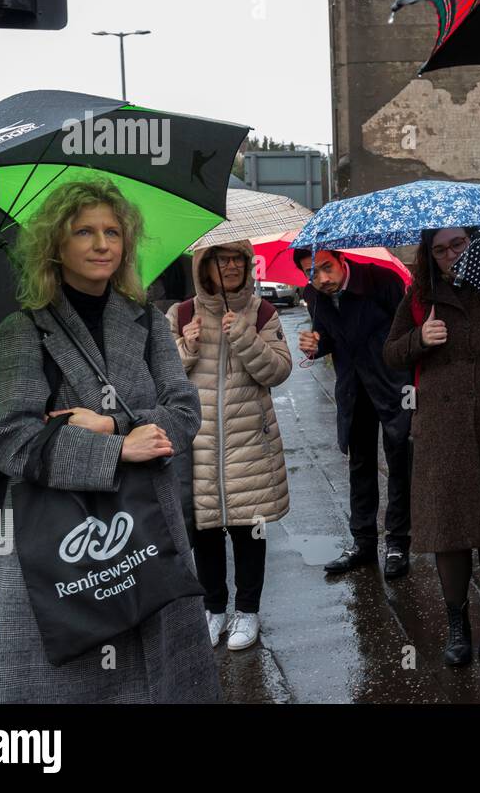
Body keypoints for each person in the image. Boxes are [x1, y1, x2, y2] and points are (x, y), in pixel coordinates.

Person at [0, 177, 216, 703]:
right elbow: (9, 439)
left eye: (113, 231)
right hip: (71, 544)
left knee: (166, 677)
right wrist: (115, 452)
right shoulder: (21, 332)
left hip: (150, 530)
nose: (102, 243)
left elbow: (184, 410)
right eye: (84, 231)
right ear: (55, 245)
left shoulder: (148, 322)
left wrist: (114, 428)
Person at [383, 228, 480, 666]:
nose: (450, 255)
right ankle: (457, 625)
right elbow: (391, 353)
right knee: (448, 529)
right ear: (429, 257)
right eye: (439, 250)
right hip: (441, 429)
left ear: (474, 242)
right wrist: (420, 338)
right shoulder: (419, 296)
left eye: (457, 245)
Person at [167, 240, 293, 651]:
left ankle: (248, 610)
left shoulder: (262, 313)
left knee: (247, 528)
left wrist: (242, 333)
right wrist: (186, 346)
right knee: (205, 529)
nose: (231, 267)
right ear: (204, 266)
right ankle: (213, 608)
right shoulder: (181, 313)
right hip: (197, 443)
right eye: (220, 260)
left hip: (249, 441)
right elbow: (163, 378)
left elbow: (277, 371)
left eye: (237, 259)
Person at [295, 247, 414, 579]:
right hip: (353, 387)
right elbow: (328, 338)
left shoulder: (382, 280)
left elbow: (407, 331)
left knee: (399, 462)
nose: (321, 278)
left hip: (393, 384)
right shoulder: (314, 294)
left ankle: (398, 543)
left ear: (342, 260)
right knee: (360, 465)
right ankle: (362, 542)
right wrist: (316, 346)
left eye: (326, 268)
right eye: (311, 273)